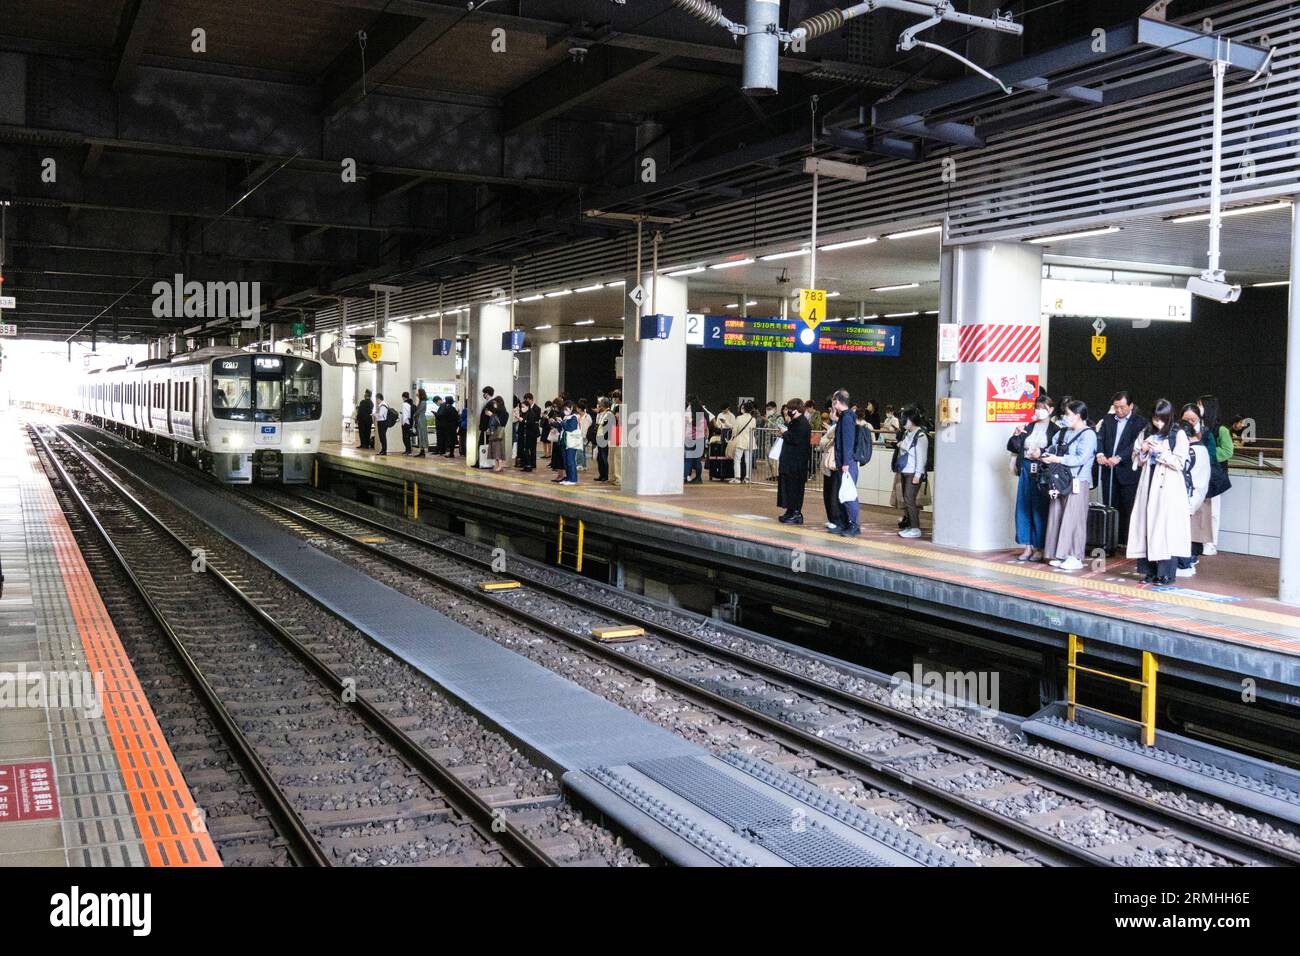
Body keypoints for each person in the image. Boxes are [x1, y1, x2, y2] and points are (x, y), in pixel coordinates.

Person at [1127, 399, 1192, 586]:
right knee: (1145, 525)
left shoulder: (1177, 434)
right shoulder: (1146, 432)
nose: (1158, 423)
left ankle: (1166, 573)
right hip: (1148, 482)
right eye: (1156, 419)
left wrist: (1161, 452)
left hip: (1169, 486)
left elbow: (1179, 462)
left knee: (1165, 529)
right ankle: (1147, 571)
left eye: (1162, 419)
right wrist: (1143, 450)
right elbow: (1136, 459)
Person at [1040, 399, 1097, 570]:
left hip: (1078, 479)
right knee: (1056, 514)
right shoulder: (1062, 433)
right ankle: (1060, 554)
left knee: (1074, 517)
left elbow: (1081, 458)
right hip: (1059, 480)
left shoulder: (1088, 435)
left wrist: (1058, 459)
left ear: (1078, 416)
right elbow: (1052, 447)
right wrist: (1044, 454)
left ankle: (1075, 556)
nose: (1065, 417)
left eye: (1068, 414)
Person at [1094, 390, 1147, 546]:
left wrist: (1120, 457)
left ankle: (1126, 542)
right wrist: (1100, 454)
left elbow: (1135, 445)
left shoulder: (1140, 422)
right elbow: (1099, 438)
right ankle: (1110, 541)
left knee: (1128, 508)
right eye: (1116, 407)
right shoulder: (1107, 420)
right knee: (1110, 505)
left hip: (1128, 472)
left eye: (1122, 407)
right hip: (1108, 471)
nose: (1119, 410)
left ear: (1130, 405)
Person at [1008, 395, 1058, 561]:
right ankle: (1027, 545)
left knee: (1040, 507)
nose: (1039, 411)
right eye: (1037, 407)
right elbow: (1013, 446)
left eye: (1043, 408)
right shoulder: (1029, 426)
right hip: (1026, 468)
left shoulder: (1055, 430)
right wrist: (1016, 435)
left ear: (1050, 410)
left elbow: (1057, 452)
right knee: (1023, 506)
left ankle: (1039, 546)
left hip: (1043, 471)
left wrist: (1042, 454)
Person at [1178, 403, 1214, 577]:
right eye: (1187, 419)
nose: (1190, 422)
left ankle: (1190, 558)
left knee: (1197, 523)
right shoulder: (1179, 434)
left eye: (1193, 419)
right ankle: (1186, 559)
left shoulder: (1207, 433)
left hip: (1198, 482)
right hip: (1186, 487)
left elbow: (1213, 455)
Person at [1197, 394, 1233, 555]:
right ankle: (1199, 540)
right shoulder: (1197, 426)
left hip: (1214, 475)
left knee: (1213, 511)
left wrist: (1206, 453)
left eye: (1200, 405)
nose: (1198, 408)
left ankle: (1211, 543)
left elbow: (1227, 451)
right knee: (1199, 509)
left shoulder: (1222, 430)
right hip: (1200, 473)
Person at [895, 408, 929, 539]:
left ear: (912, 420)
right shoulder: (907, 434)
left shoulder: (921, 436)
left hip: (913, 473)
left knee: (910, 500)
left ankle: (915, 528)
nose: (902, 422)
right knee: (907, 500)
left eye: (905, 419)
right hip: (905, 471)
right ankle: (910, 526)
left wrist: (918, 474)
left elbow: (922, 458)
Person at [831, 389, 861, 537]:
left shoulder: (848, 417)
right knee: (843, 494)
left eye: (833, 401)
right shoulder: (845, 417)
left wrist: (846, 463)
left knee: (849, 495)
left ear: (836, 401)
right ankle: (845, 523)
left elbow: (847, 442)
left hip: (847, 463)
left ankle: (854, 525)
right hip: (845, 462)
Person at [776, 399, 810, 524]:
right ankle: (790, 511)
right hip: (790, 462)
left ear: (797, 409)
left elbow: (794, 439)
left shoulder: (802, 423)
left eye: (790, 409)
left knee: (795, 488)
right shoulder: (795, 422)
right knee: (788, 487)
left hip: (796, 463)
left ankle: (796, 512)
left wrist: (785, 433)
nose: (788, 411)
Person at [817, 403, 843, 531]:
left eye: (832, 411)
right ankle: (831, 518)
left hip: (834, 464)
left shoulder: (838, 427)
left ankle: (836, 519)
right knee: (827, 492)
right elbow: (823, 443)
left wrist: (827, 436)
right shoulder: (833, 427)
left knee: (834, 493)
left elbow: (824, 442)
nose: (830, 413)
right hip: (828, 464)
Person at [727, 401, 757, 483]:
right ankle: (747, 478)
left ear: (743, 409)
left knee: (737, 459)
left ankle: (737, 478)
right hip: (750, 441)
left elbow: (735, 431)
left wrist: (733, 437)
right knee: (748, 460)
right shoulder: (753, 419)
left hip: (740, 441)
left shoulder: (739, 418)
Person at [684, 396, 707, 484]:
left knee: (688, 460)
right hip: (700, 439)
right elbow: (703, 427)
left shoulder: (688, 412)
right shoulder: (701, 413)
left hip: (689, 438)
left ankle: (684, 477)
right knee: (697, 460)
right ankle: (698, 478)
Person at [557, 401, 580, 485]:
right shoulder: (566, 417)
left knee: (570, 461)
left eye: (566, 409)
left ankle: (573, 479)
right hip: (565, 441)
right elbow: (562, 428)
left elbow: (570, 428)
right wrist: (557, 423)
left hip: (571, 442)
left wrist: (562, 423)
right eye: (564, 409)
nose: (565, 411)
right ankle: (568, 478)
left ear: (571, 408)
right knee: (566, 461)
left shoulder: (574, 417)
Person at [518, 393, 541, 472]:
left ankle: (531, 464)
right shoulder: (525, 413)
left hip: (531, 434)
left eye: (523, 407)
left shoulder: (534, 411)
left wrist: (523, 420)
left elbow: (532, 422)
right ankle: (526, 464)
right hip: (526, 434)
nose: (522, 408)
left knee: (531, 449)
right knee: (525, 449)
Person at [487, 395, 508, 471]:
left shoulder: (504, 412)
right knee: (494, 448)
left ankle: (500, 465)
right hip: (494, 431)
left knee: (499, 448)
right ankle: (496, 464)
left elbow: (500, 422)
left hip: (499, 432)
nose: (494, 405)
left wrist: (492, 415)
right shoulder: (496, 411)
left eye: (495, 403)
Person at [593, 397, 612, 482]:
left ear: (603, 404)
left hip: (604, 438)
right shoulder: (601, 413)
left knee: (604, 458)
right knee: (599, 458)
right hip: (600, 437)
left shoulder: (609, 413)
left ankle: (606, 475)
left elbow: (607, 426)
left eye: (600, 403)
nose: (598, 405)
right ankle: (601, 474)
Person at [400, 391, 415, 455]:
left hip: (406, 423)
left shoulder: (405, 404)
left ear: (403, 397)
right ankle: (408, 450)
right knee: (408, 437)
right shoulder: (410, 403)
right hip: (410, 422)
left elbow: (405, 415)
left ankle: (408, 450)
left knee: (405, 438)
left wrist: (403, 422)